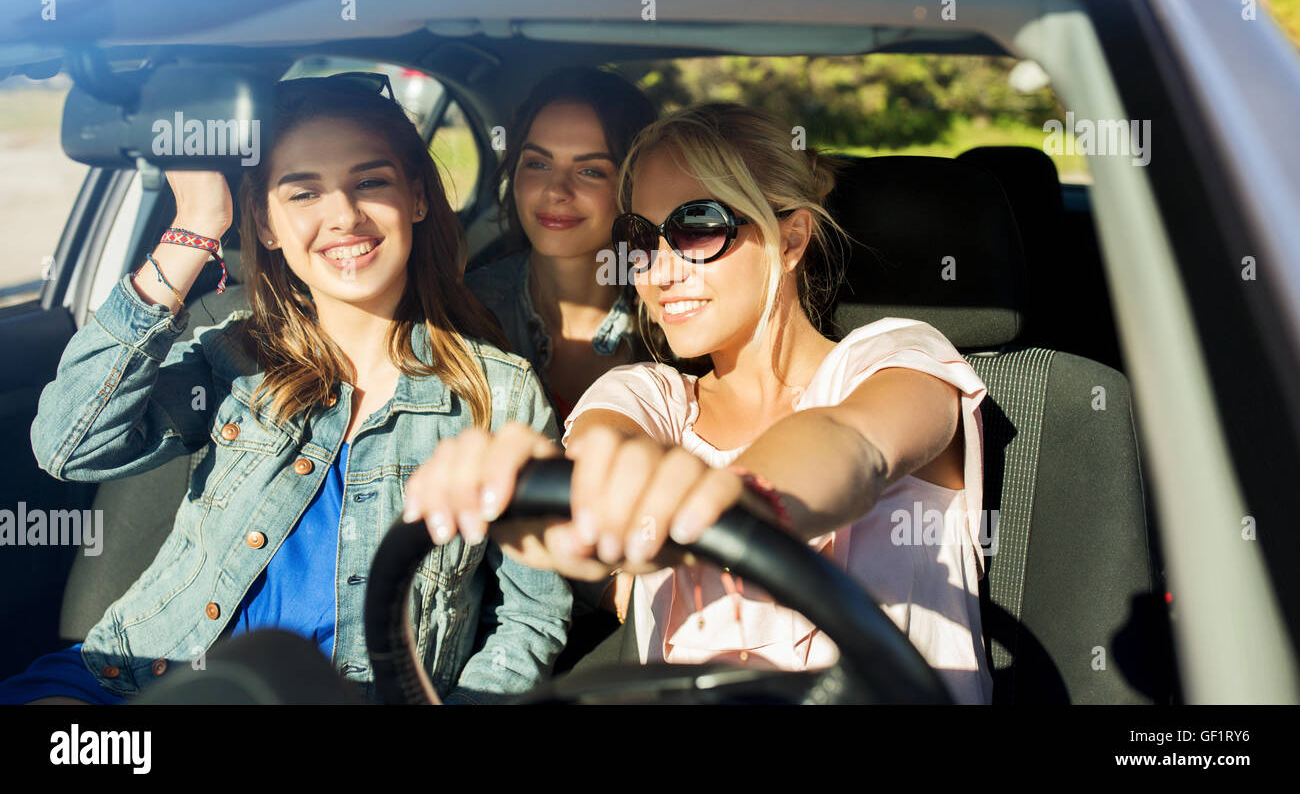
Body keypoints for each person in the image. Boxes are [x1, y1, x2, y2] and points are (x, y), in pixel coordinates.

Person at [6, 73, 570, 705]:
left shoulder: (497, 394)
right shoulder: (236, 356)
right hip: (132, 684)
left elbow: (530, 615)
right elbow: (67, 444)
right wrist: (197, 224)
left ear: (416, 197)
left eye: (370, 182)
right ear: (266, 227)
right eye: (303, 193)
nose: (344, 216)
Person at [402, 102, 995, 703]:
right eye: (641, 239)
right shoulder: (645, 392)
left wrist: (734, 506)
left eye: (699, 227)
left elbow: (853, 444)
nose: (659, 272)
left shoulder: (895, 359)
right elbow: (604, 452)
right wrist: (549, 497)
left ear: (790, 240)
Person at [465, 67, 658, 423]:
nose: (556, 190)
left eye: (590, 171)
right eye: (538, 163)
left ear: (634, 186)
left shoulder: (673, 313)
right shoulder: (464, 314)